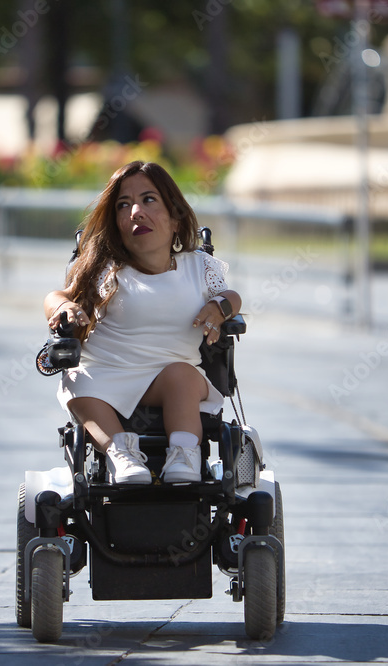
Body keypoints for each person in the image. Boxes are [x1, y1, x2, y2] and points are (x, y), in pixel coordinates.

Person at [44, 160, 242, 485]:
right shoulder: (105, 270)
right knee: (75, 382)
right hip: (107, 373)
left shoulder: (199, 267)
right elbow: (57, 295)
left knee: (182, 374)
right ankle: (122, 453)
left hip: (170, 378)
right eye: (124, 204)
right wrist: (64, 307)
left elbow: (232, 296)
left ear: (176, 218)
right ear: (117, 223)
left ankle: (184, 455)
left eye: (149, 199)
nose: (136, 211)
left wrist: (221, 307)